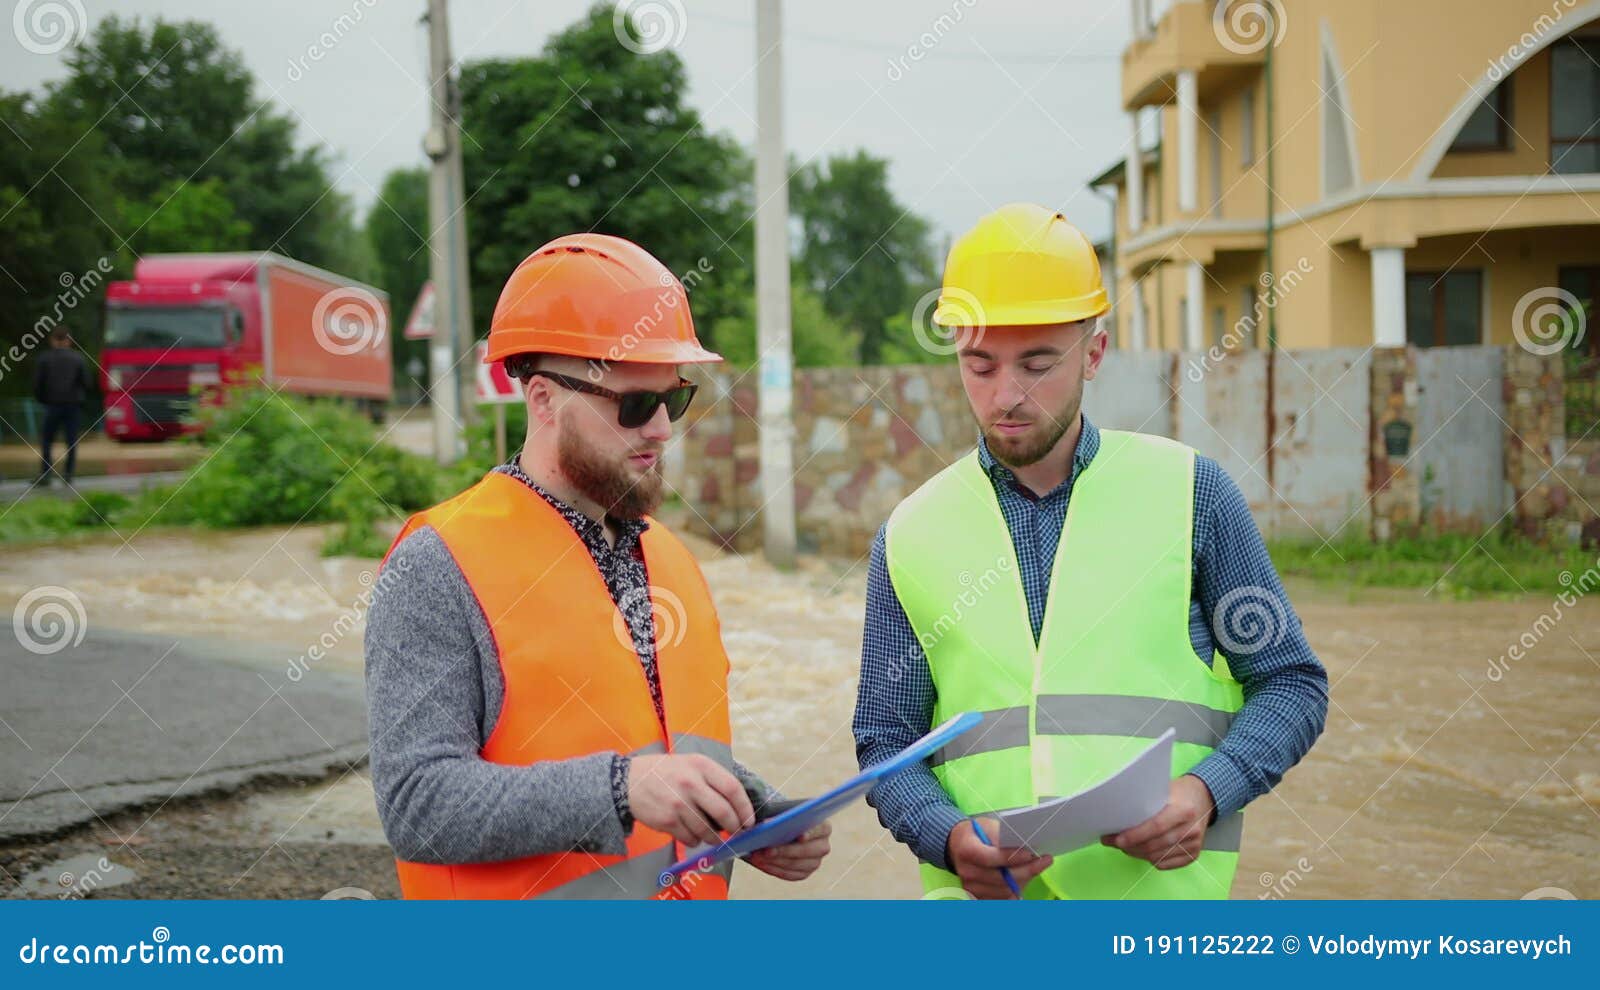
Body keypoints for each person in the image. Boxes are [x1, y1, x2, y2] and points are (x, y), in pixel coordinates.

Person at [852, 203, 1328, 900]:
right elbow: (886, 741)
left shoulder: (1194, 495)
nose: (1006, 396)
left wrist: (1207, 791)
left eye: (1037, 364)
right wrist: (947, 837)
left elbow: (1290, 683)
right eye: (979, 366)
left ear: (1094, 354)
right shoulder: (908, 534)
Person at [365, 233, 830, 899]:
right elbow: (417, 805)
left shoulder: (671, 559)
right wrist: (618, 790)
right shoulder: (437, 565)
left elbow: (660, 743)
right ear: (543, 399)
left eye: (673, 399)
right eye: (634, 405)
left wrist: (750, 811)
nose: (662, 429)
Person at [33, 328, 92, 487]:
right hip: (73, 405)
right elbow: (86, 383)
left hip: (52, 404)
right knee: (71, 440)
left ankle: (46, 474)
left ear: (52, 340)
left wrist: (43, 400)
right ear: (69, 341)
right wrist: (80, 399)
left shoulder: (44, 359)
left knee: (47, 440)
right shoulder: (78, 359)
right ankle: (68, 474)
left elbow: (37, 384)